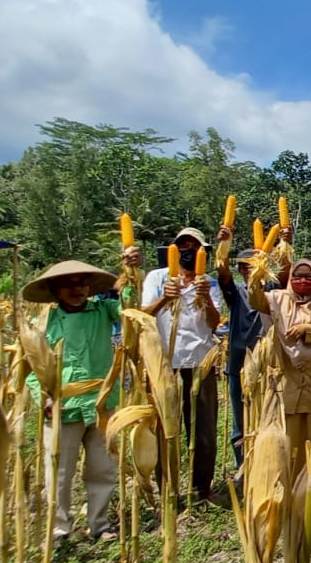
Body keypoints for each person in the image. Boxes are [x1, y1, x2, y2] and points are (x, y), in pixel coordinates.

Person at [23, 254, 139, 543]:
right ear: (54, 290)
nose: (78, 290)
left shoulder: (103, 311)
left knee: (103, 467)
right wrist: (45, 399)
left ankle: (99, 523)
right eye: (69, 285)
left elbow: (130, 309)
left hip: (101, 404)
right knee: (60, 472)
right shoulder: (44, 323)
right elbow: (30, 368)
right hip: (63, 408)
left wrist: (132, 273)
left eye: (82, 284)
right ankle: (59, 527)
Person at [141, 227, 225, 503]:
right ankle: (168, 490)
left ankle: (202, 489)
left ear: (204, 252)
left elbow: (215, 323)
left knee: (204, 432)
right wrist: (166, 296)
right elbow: (142, 316)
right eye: (183, 246)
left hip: (200, 361)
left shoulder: (210, 283)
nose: (189, 251)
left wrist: (203, 298)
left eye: (195, 247)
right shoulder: (157, 277)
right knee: (165, 430)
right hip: (164, 364)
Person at [214, 224, 293, 469]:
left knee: (270, 414)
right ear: (240, 269)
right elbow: (222, 273)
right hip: (239, 364)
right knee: (241, 421)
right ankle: (243, 469)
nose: (251, 268)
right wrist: (224, 245)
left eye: (255, 263)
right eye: (246, 265)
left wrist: (286, 244)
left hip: (269, 364)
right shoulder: (235, 292)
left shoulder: (271, 291)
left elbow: (285, 275)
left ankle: (269, 464)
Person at [248, 258, 311, 474]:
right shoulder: (277, 299)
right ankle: (289, 474)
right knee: (289, 428)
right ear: (290, 279)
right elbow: (256, 301)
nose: (303, 280)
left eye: (308, 276)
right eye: (298, 276)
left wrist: (308, 329)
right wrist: (257, 277)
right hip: (285, 374)